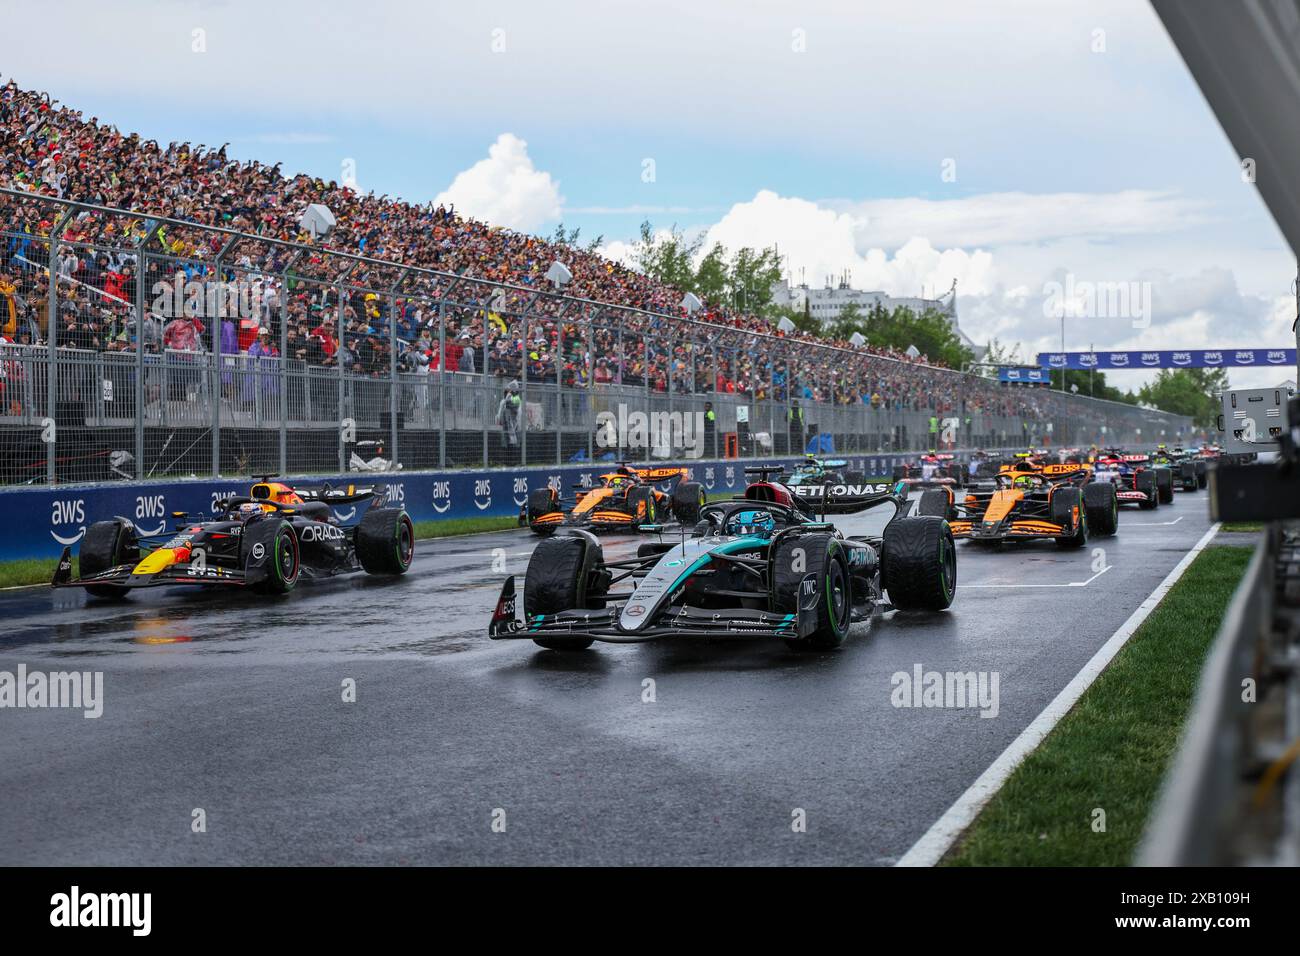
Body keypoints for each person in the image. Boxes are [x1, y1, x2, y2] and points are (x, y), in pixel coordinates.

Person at [496, 379, 522, 448]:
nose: (507, 392)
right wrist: (499, 418)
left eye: (509, 390)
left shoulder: (516, 399)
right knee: (506, 439)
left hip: (514, 427)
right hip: (507, 428)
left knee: (513, 440)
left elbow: (511, 403)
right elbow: (501, 410)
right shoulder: (504, 401)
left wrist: (509, 395)